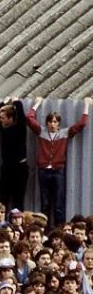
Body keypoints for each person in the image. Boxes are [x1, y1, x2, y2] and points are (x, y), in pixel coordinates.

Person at [27, 96, 91, 227]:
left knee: (58, 204)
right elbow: (29, 117)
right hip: (43, 171)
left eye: (55, 122)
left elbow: (82, 124)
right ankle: (43, 230)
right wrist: (37, 103)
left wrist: (87, 105)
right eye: (50, 121)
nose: (52, 124)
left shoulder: (65, 133)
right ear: (47, 123)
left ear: (59, 123)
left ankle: (59, 230)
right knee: (45, 203)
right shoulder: (41, 132)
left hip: (58, 171)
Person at [0, 96, 28, 211]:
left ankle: (17, 220)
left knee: (18, 199)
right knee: (3, 198)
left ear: (11, 118)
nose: (0, 120)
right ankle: (1, 221)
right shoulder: (3, 127)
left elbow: (20, 111)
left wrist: (16, 101)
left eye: (3, 118)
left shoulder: (20, 127)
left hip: (20, 168)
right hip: (7, 168)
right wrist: (4, 102)